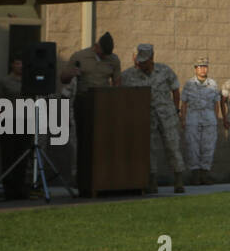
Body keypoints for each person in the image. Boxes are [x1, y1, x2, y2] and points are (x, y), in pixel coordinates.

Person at [120, 44, 186, 194]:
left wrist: (176, 110)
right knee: (149, 149)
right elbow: (118, 87)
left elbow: (175, 89)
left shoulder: (165, 71)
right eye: (139, 61)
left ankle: (178, 179)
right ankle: (152, 181)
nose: (141, 64)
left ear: (152, 58)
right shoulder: (130, 75)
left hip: (167, 115)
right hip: (146, 117)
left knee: (172, 146)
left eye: (144, 61)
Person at [59, 31, 119, 187]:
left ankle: (103, 175)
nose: (105, 56)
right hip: (83, 102)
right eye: (103, 53)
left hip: (103, 104)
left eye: (108, 54)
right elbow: (63, 78)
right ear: (96, 46)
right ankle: (79, 176)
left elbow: (117, 83)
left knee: (102, 141)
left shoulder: (113, 60)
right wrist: (71, 73)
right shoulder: (80, 56)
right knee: (80, 142)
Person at [180, 57, 222, 185]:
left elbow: (216, 103)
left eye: (205, 66)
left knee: (208, 147)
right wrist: (183, 119)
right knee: (193, 147)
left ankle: (205, 175)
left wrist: (215, 118)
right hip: (193, 118)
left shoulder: (213, 84)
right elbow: (184, 103)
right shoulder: (189, 84)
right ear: (195, 69)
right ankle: (195, 176)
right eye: (200, 67)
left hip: (209, 119)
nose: (203, 69)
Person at [0, 56, 30, 200]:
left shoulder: (29, 82)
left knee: (22, 157)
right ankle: (9, 191)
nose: (20, 66)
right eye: (17, 63)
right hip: (8, 121)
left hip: (25, 122)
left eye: (23, 63)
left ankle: (20, 189)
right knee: (8, 157)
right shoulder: (4, 82)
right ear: (12, 65)